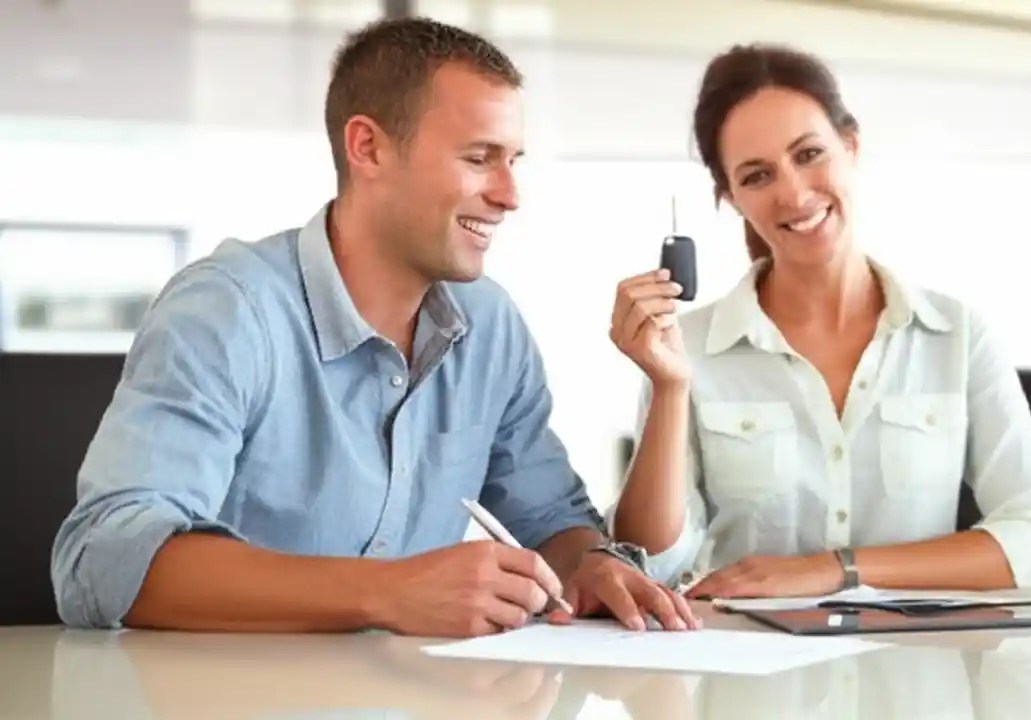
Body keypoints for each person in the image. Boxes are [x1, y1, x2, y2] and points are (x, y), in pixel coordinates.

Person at [50, 16, 697, 636]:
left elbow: (554, 521)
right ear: (368, 147)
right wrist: (388, 591)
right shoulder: (228, 309)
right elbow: (102, 558)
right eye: (480, 158)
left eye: (514, 160)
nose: (510, 194)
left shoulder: (490, 326)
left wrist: (591, 564)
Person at [609, 44, 1031, 598]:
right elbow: (653, 565)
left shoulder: (957, 336)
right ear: (732, 197)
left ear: (851, 146)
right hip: (745, 669)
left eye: (808, 154)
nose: (794, 193)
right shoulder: (687, 348)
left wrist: (837, 568)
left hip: (915, 672)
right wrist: (669, 386)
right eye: (757, 176)